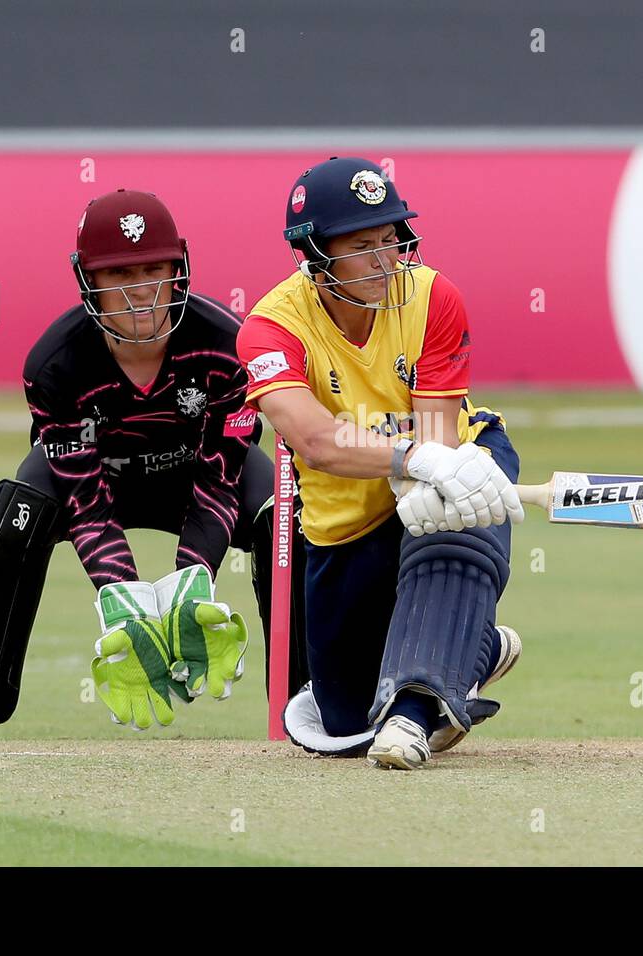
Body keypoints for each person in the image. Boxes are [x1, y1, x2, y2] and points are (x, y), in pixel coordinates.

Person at [0, 188, 306, 740]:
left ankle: (307, 695)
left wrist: (191, 579)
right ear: (88, 282)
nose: (140, 294)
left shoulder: (230, 345)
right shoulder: (55, 365)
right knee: (13, 512)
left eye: (154, 270)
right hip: (101, 478)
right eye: (120, 275)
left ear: (179, 270)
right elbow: (84, 497)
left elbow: (221, 473)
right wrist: (123, 598)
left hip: (195, 472)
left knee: (284, 512)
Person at [236, 157, 524, 770]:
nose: (385, 259)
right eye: (363, 245)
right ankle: (472, 648)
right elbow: (313, 439)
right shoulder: (270, 329)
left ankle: (414, 716)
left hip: (456, 460)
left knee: (451, 524)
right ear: (313, 252)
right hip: (343, 520)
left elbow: (442, 437)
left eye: (392, 239)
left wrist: (432, 467)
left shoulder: (433, 296)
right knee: (345, 721)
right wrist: (409, 459)